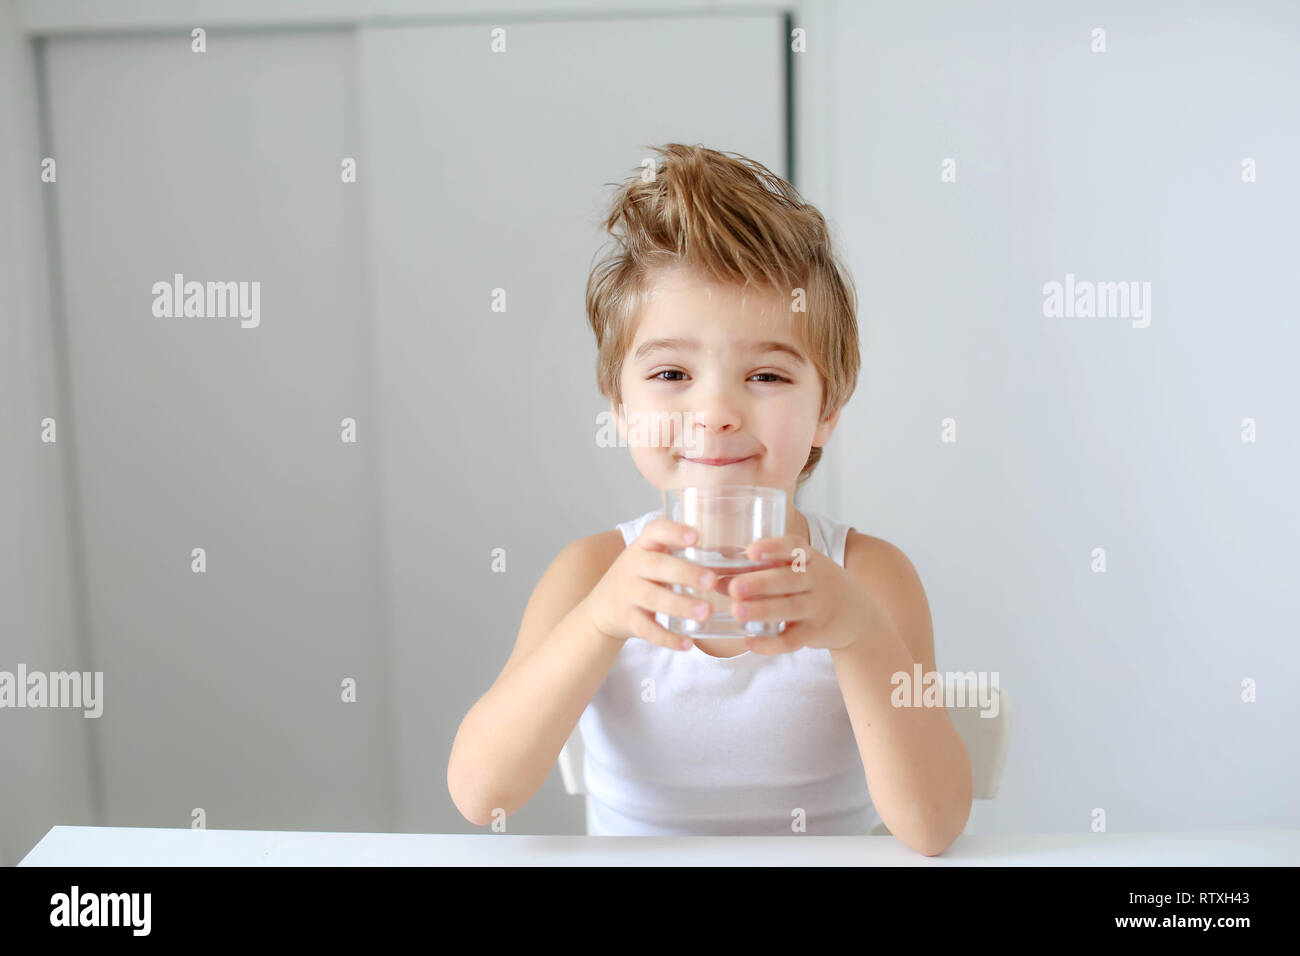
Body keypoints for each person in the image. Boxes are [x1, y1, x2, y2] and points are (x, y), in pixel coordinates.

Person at [448, 144, 971, 853]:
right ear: (621, 409)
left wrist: (859, 628)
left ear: (828, 409)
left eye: (766, 376)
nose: (716, 412)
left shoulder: (871, 576)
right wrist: (599, 621)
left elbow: (933, 827)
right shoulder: (587, 573)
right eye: (670, 372)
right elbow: (482, 794)